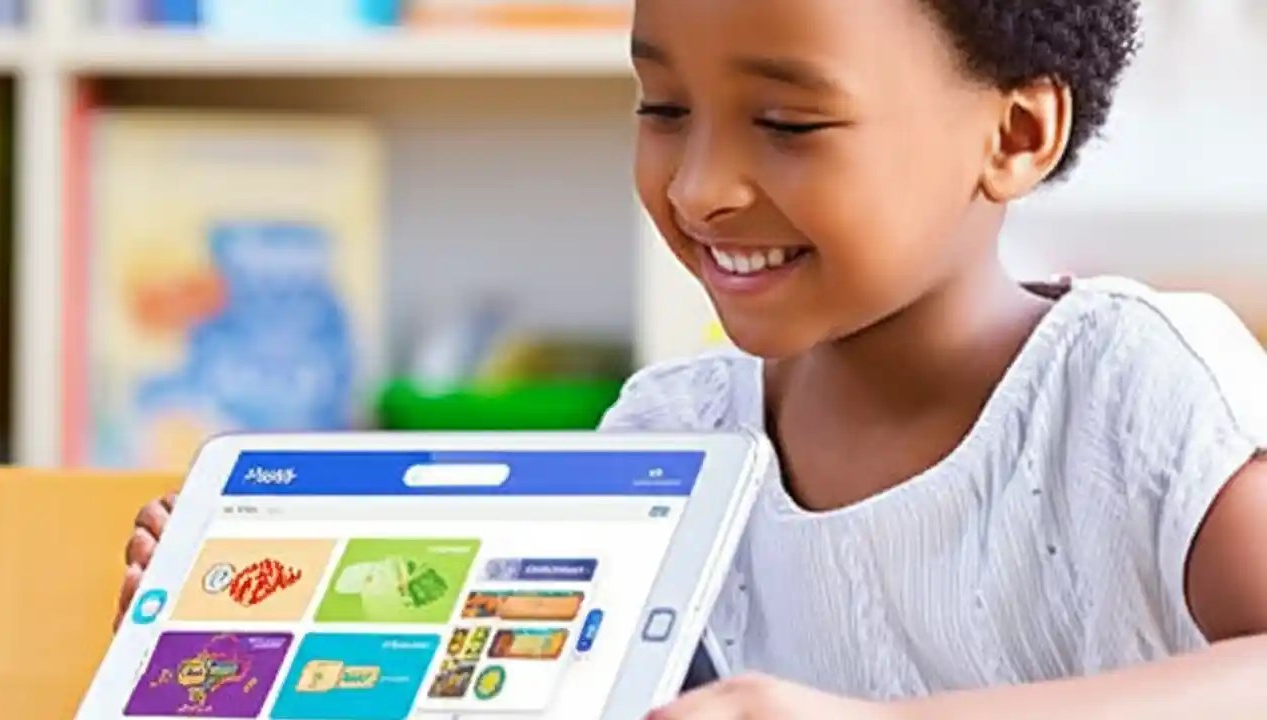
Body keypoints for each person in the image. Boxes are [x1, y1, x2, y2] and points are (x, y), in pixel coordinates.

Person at [118, 0, 1267, 717]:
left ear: (1014, 134)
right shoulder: (667, 440)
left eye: (786, 122)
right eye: (662, 105)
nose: (696, 186)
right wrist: (249, 626)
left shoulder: (1129, 388)